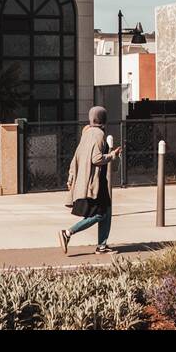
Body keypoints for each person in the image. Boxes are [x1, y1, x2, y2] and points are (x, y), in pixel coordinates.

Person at [60, 106, 122, 255]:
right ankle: (68, 233)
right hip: (94, 183)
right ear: (104, 120)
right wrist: (112, 155)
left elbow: (76, 157)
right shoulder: (98, 134)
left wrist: (71, 177)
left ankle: (102, 246)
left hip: (90, 181)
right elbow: (96, 158)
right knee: (99, 214)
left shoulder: (86, 134)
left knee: (106, 210)